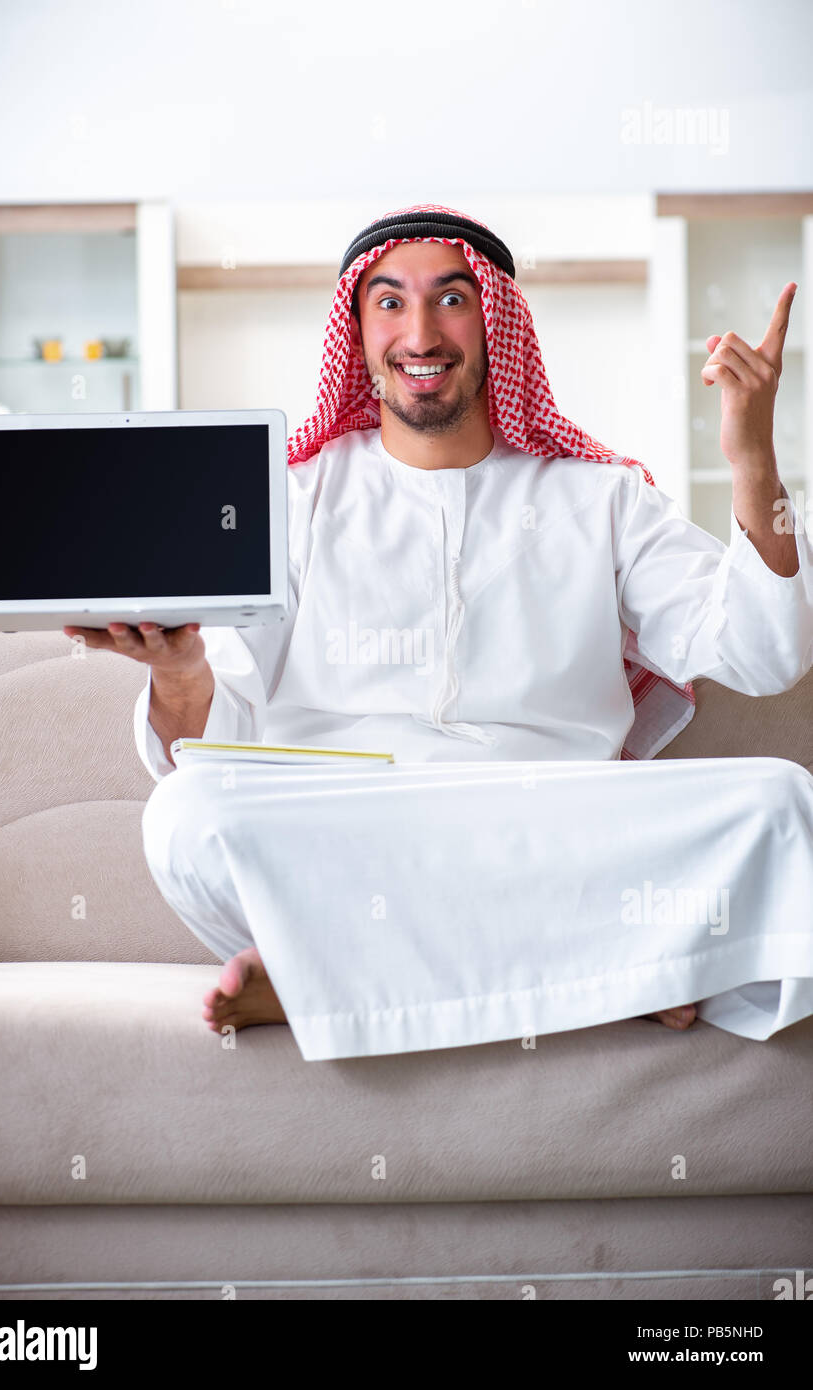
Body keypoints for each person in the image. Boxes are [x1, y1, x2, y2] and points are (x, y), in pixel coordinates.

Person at [65, 204, 813, 1062]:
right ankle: (605, 974)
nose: (420, 332)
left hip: (547, 826)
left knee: (777, 801)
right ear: (357, 331)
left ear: (497, 325)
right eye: (388, 302)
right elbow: (213, 733)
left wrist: (752, 453)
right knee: (185, 814)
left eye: (450, 298)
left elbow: (764, 653)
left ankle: (330, 980)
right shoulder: (292, 502)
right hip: (360, 832)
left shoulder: (599, 498)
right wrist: (181, 669)